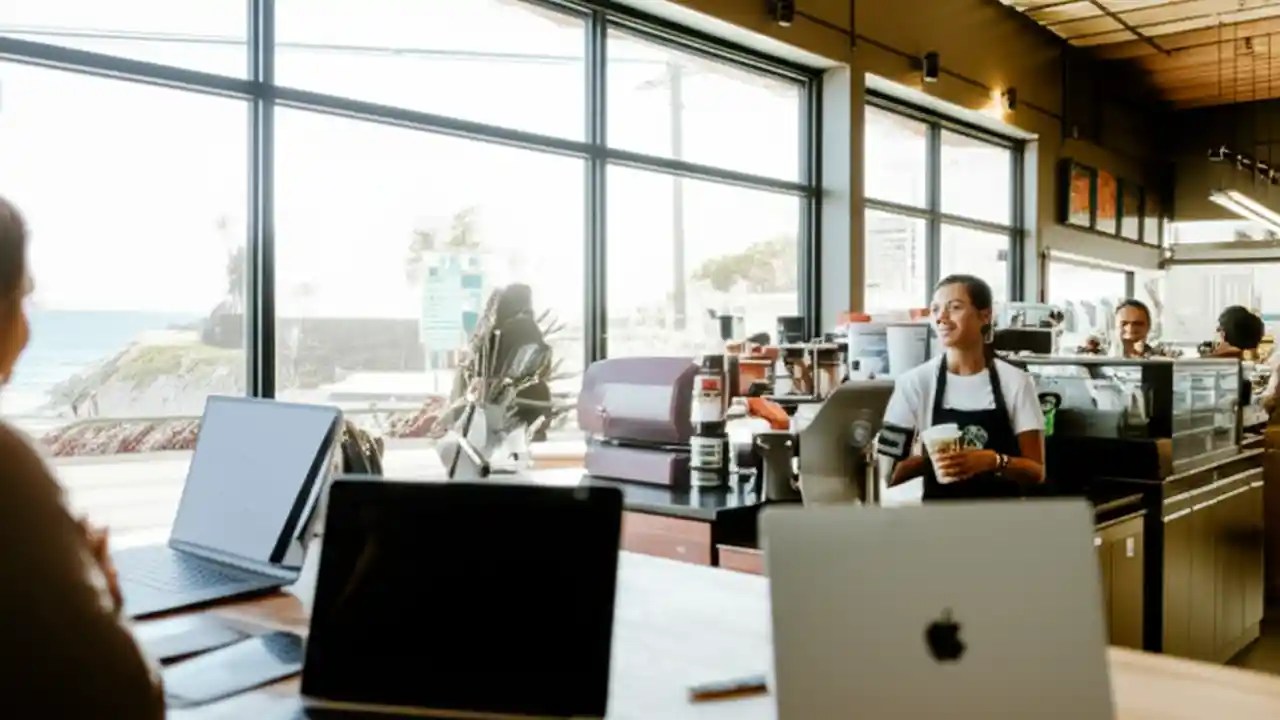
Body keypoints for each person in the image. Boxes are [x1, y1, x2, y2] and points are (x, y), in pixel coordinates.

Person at [0, 196, 163, 718]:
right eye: (23, 298)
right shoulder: (9, 466)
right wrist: (101, 590)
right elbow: (128, 701)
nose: (27, 331)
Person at [881, 274, 1046, 500]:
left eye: (954, 307)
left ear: (985, 315)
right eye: (935, 309)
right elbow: (887, 473)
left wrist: (994, 461)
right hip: (940, 525)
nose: (941, 317)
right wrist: (933, 460)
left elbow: (1036, 471)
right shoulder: (915, 383)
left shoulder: (1016, 382)